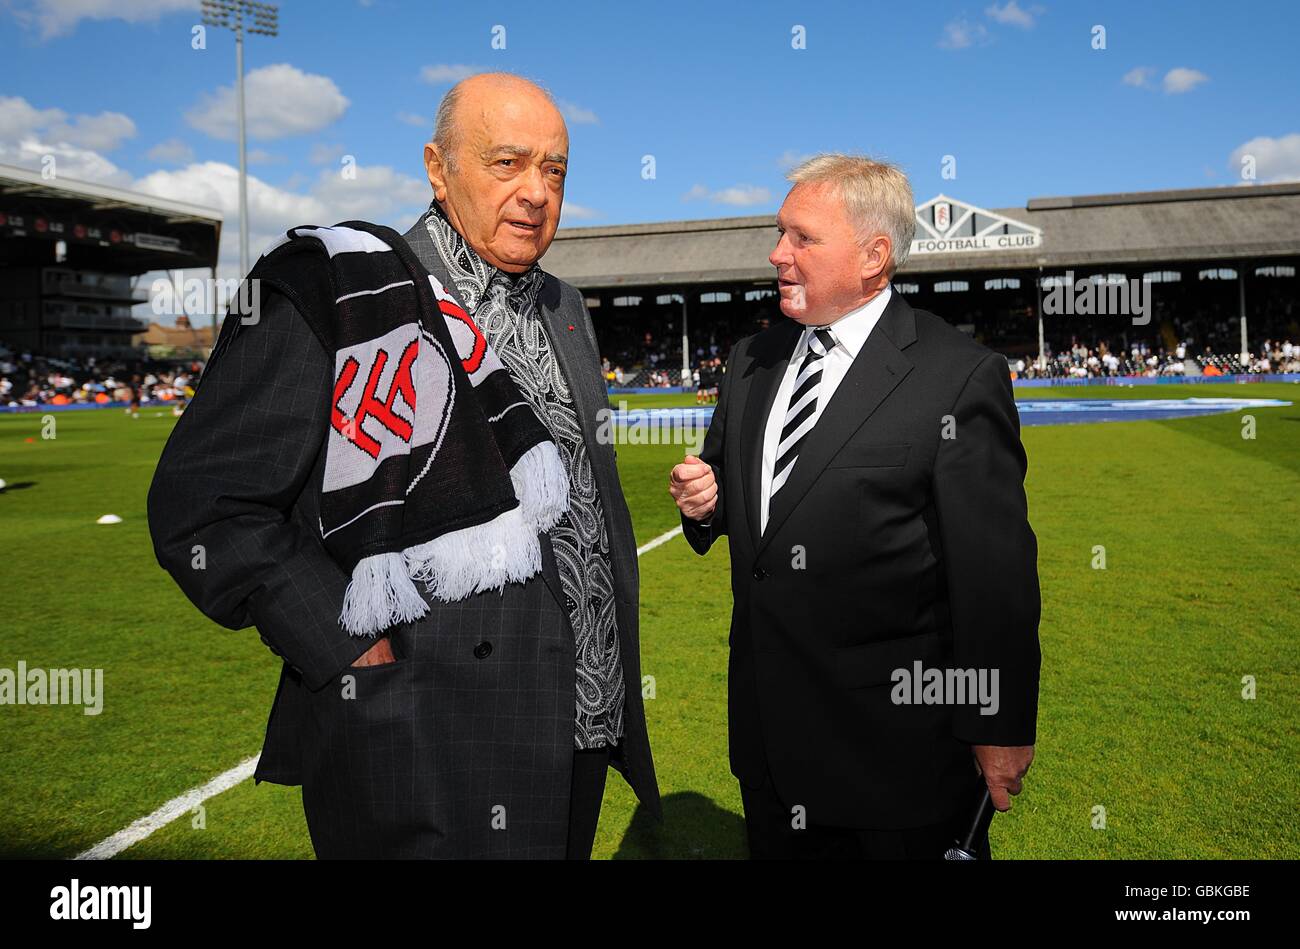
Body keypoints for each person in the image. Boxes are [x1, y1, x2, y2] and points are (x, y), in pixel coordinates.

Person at [148, 72, 659, 859]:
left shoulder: (564, 306)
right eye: (507, 163)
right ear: (436, 166)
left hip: (578, 722)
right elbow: (204, 504)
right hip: (423, 728)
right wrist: (349, 646)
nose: (535, 192)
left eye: (554, 170)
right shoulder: (349, 287)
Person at [669, 154, 1040, 859]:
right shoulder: (752, 359)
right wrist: (706, 502)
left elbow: (995, 577)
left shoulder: (957, 376)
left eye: (802, 238)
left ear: (875, 256)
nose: (777, 253)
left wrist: (998, 721)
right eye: (780, 233)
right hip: (769, 750)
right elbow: (740, 497)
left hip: (897, 763)